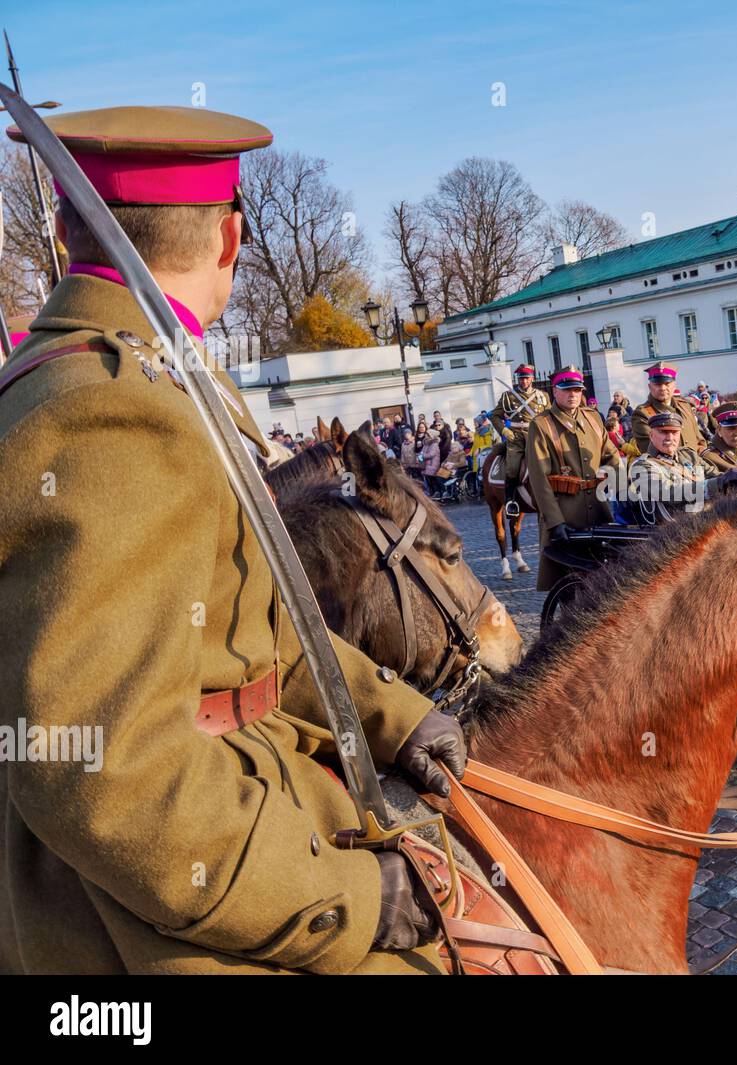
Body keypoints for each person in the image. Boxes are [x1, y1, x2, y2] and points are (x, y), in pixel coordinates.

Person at [0, 105, 468, 974]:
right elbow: (110, 773)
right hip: (142, 894)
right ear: (230, 238)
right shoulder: (117, 410)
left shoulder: (135, 374)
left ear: (66, 232)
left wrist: (390, 713)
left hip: (212, 805)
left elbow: (254, 626)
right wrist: (356, 899)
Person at [525, 366, 621, 591]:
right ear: (554, 392)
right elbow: (539, 480)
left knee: (602, 579)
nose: (573, 395)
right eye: (566, 389)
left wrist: (615, 481)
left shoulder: (593, 418)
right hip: (565, 514)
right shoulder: (541, 425)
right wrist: (555, 522)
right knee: (568, 585)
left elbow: (612, 455)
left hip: (598, 512)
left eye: (577, 390)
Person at [626, 411, 737, 523]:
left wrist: (731, 481)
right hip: (671, 533)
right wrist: (717, 484)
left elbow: (714, 474)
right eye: (663, 432)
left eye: (674, 432)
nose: (669, 438)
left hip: (706, 522)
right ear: (651, 436)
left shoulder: (688, 455)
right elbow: (669, 493)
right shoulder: (641, 466)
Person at [490, 362, 551, 516]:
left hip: (537, 435)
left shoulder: (543, 396)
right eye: (521, 378)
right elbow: (495, 416)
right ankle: (511, 501)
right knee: (513, 467)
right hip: (516, 437)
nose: (523, 381)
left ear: (532, 378)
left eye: (526, 378)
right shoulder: (508, 397)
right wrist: (504, 430)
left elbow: (550, 416)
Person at [631, 361, 706, 455]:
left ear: (674, 386)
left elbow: (700, 441)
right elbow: (651, 451)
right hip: (666, 468)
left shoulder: (685, 406)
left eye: (667, 383)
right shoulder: (642, 414)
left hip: (696, 466)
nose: (662, 388)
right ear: (650, 387)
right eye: (657, 384)